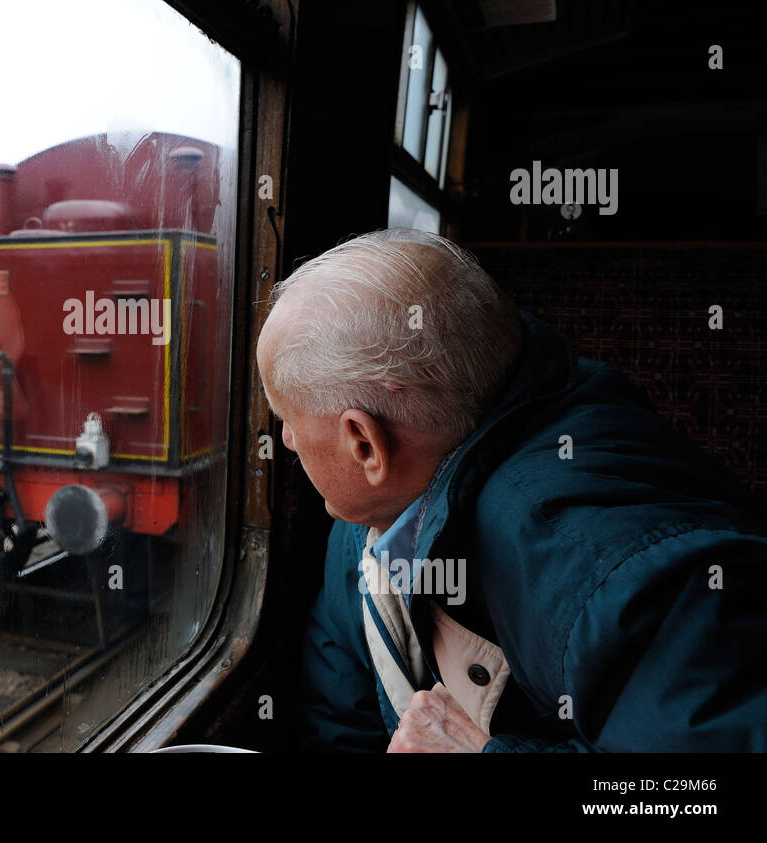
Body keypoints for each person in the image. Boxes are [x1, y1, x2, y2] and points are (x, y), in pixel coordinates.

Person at [256, 228, 767, 752]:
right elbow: (341, 720)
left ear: (365, 445)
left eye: (288, 419)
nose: (287, 440)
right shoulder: (368, 528)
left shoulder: (597, 564)